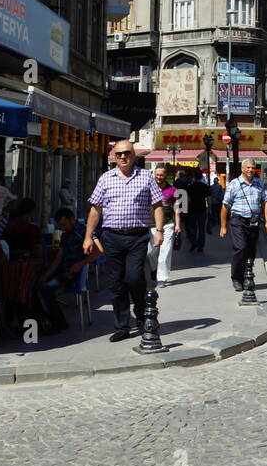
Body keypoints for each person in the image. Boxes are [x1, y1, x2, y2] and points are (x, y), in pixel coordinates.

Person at [83, 140, 165, 343]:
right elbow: (95, 209)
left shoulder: (146, 177)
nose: (122, 157)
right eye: (118, 154)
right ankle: (122, 325)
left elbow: (157, 205)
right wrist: (88, 236)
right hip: (111, 236)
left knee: (134, 277)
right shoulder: (105, 179)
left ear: (133, 155)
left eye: (126, 153)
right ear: (114, 156)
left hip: (137, 236)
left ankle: (141, 314)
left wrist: (159, 230)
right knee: (115, 282)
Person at [35, 207, 101, 335]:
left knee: (46, 289)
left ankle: (59, 324)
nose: (62, 228)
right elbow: (58, 259)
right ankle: (44, 320)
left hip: (74, 275)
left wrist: (80, 264)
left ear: (72, 220)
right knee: (35, 283)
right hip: (63, 271)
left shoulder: (84, 231)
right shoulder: (64, 236)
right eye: (60, 225)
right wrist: (46, 275)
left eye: (64, 224)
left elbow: (99, 251)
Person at [220, 159, 267, 292]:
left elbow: (265, 203)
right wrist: (223, 226)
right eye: (248, 167)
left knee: (251, 250)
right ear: (242, 169)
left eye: (253, 168)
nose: (250, 170)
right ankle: (236, 278)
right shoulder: (234, 184)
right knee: (241, 248)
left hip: (254, 222)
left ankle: (247, 275)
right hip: (238, 221)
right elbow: (225, 206)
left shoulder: (259, 183)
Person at [146, 165, 184, 290]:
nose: (159, 177)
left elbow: (177, 209)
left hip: (168, 224)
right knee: (151, 252)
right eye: (157, 175)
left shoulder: (173, 190)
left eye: (161, 175)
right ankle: (153, 270)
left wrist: (178, 224)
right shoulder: (148, 188)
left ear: (166, 175)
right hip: (151, 224)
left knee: (165, 252)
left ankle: (161, 278)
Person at [185, 168, 210, 252]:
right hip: (202, 210)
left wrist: (186, 210)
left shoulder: (190, 187)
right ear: (201, 177)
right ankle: (200, 246)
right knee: (201, 229)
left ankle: (194, 243)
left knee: (193, 228)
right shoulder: (205, 186)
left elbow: (187, 200)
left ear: (194, 177)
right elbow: (209, 199)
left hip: (192, 209)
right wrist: (209, 209)